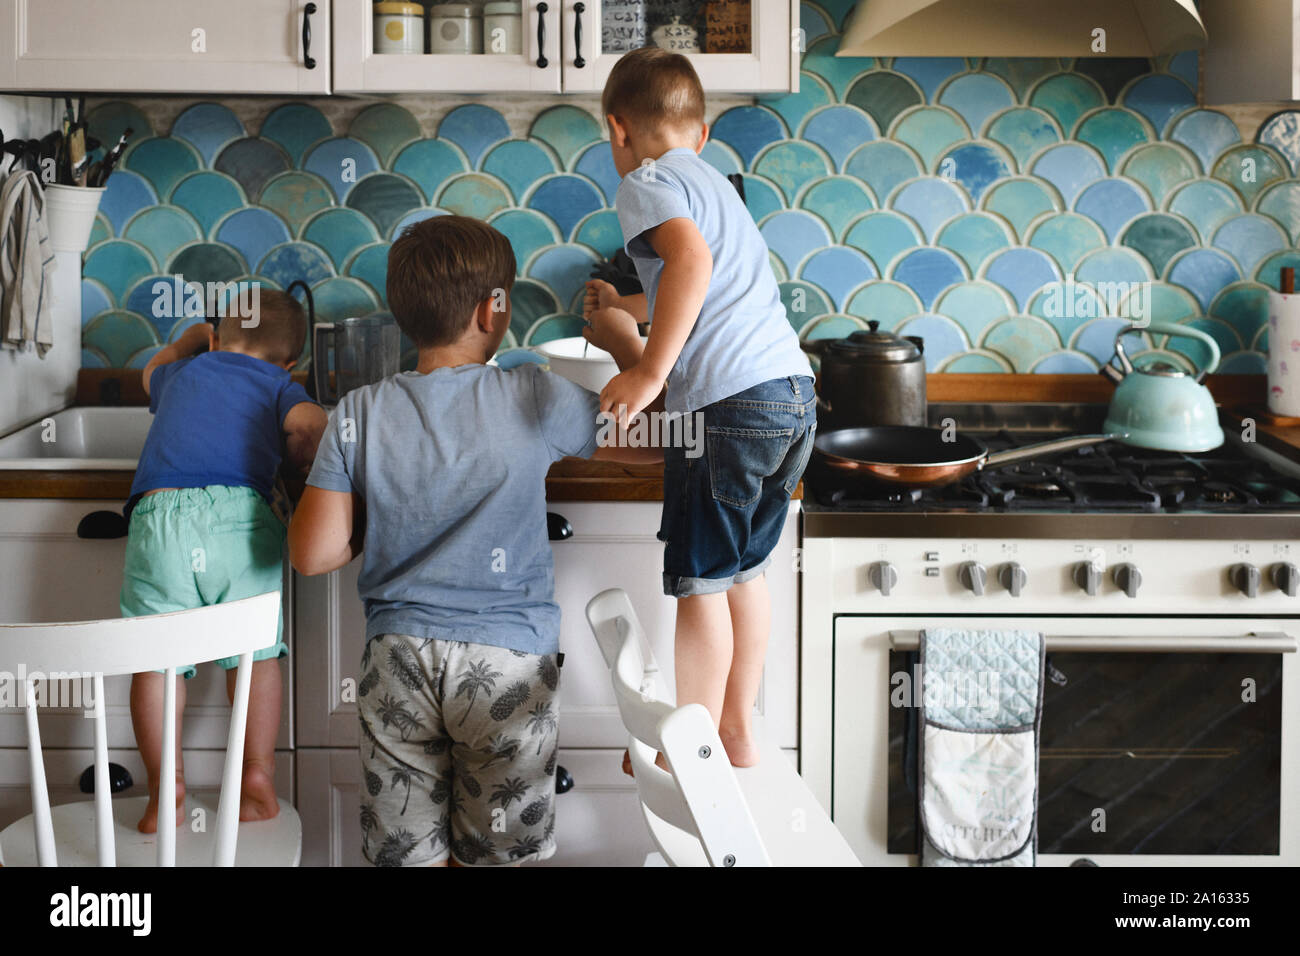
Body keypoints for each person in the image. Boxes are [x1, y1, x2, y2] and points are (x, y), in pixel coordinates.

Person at [288, 215, 655, 867]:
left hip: (398, 662)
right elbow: (655, 445)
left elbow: (314, 553)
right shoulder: (535, 395)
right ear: (495, 310)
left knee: (409, 856)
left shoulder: (359, 411)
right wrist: (632, 351)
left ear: (405, 314)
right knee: (501, 853)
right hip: (508, 666)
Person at [585, 46, 816, 768]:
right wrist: (626, 315)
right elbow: (704, 282)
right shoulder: (714, 183)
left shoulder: (644, 183)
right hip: (790, 398)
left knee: (700, 587)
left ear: (617, 130)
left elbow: (689, 264)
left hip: (729, 409)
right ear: (703, 133)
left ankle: (692, 745)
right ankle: (739, 726)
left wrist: (648, 368)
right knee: (744, 572)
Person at [121, 290, 327, 833]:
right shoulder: (279, 384)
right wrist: (302, 466)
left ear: (215, 339)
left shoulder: (182, 372)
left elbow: (149, 374)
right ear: (290, 363)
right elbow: (310, 426)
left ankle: (165, 790)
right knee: (255, 655)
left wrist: (190, 339)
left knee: (156, 660)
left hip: (159, 519)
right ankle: (255, 779)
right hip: (241, 517)